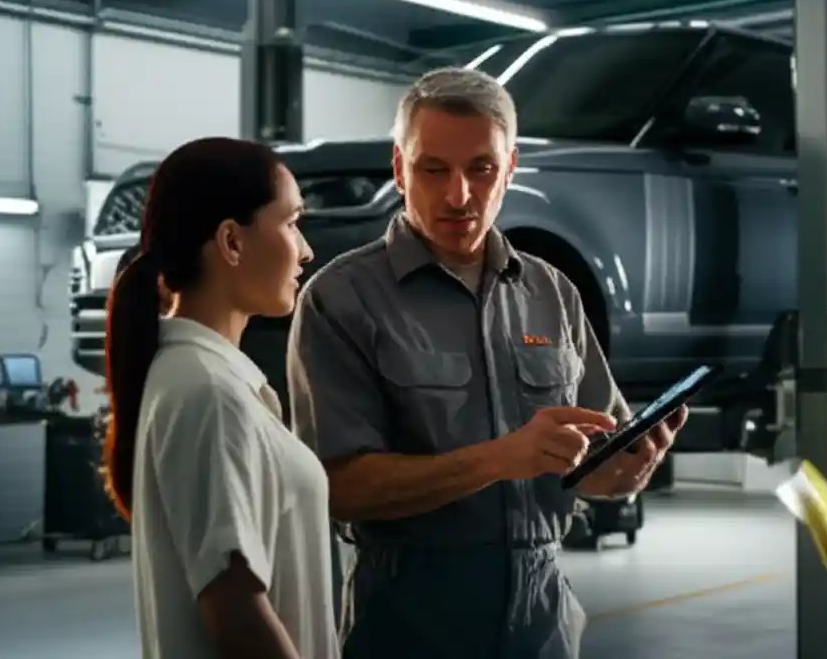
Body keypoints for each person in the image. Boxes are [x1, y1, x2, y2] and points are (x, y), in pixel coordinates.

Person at [286, 68, 688, 658]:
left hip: (544, 616)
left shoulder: (553, 293)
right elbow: (340, 489)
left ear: (510, 168)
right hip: (411, 618)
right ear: (399, 169)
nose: (459, 195)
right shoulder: (341, 300)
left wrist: (626, 472)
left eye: (481, 169)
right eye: (433, 169)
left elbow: (593, 461)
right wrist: (500, 459)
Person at [101, 137, 340, 659]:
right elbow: (238, 616)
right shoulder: (207, 391)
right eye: (291, 223)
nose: (305, 250)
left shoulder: (201, 378)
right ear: (232, 241)